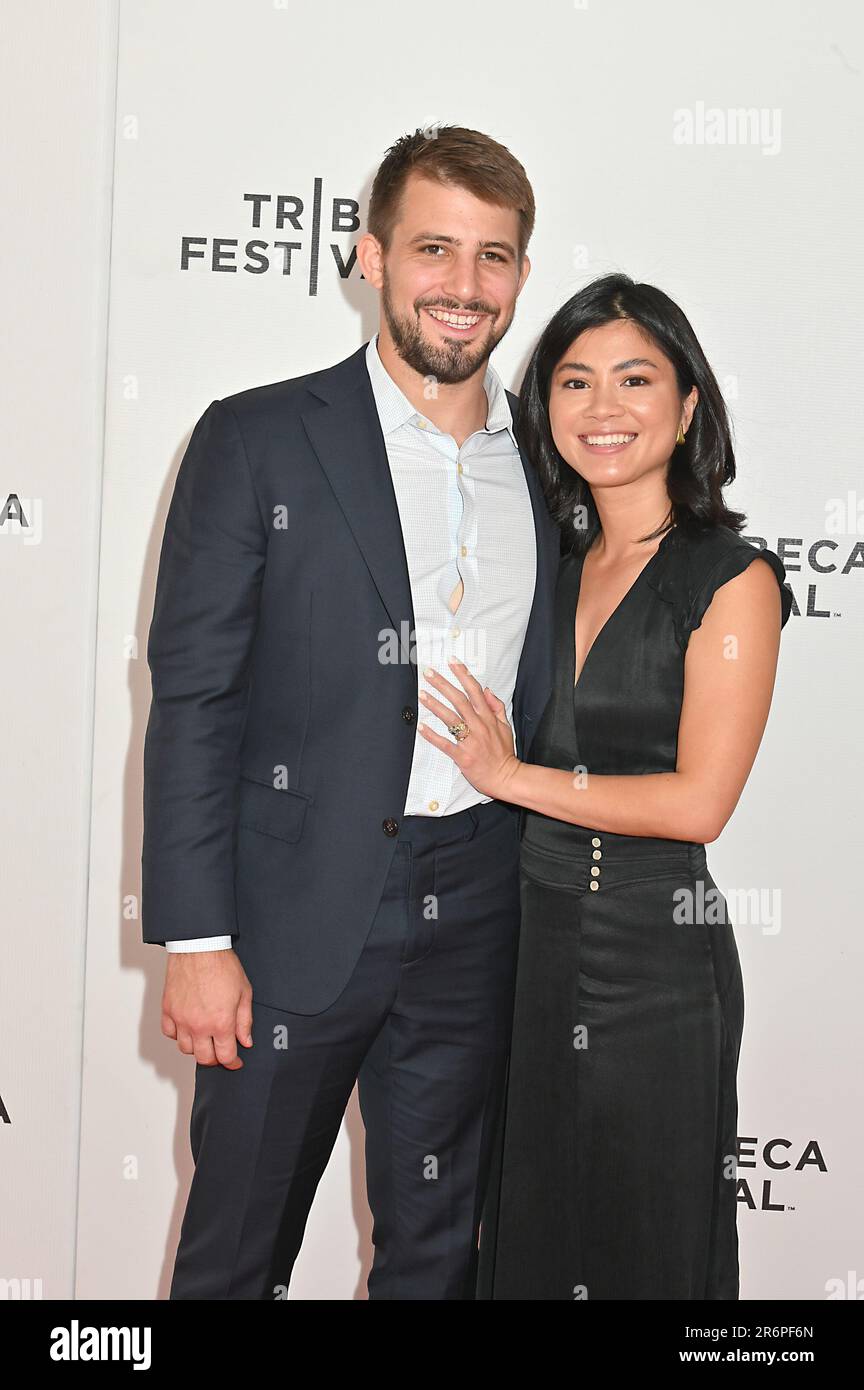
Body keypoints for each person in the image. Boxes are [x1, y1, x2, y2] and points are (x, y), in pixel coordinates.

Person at [141, 125, 561, 1299]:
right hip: (289, 918)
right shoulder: (257, 437)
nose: (464, 286)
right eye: (435, 249)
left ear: (522, 276)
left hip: (481, 904)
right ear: (370, 256)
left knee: (439, 1255)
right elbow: (194, 700)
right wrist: (195, 939)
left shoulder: (552, 454)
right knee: (236, 1252)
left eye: (493, 256)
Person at [416, 272, 794, 1300]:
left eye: (635, 378)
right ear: (545, 409)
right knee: (527, 1241)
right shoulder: (539, 560)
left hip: (654, 961)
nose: (604, 407)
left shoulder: (730, 577)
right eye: (574, 382)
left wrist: (510, 773)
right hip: (527, 949)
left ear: (688, 407)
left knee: (651, 1252)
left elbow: (698, 802)